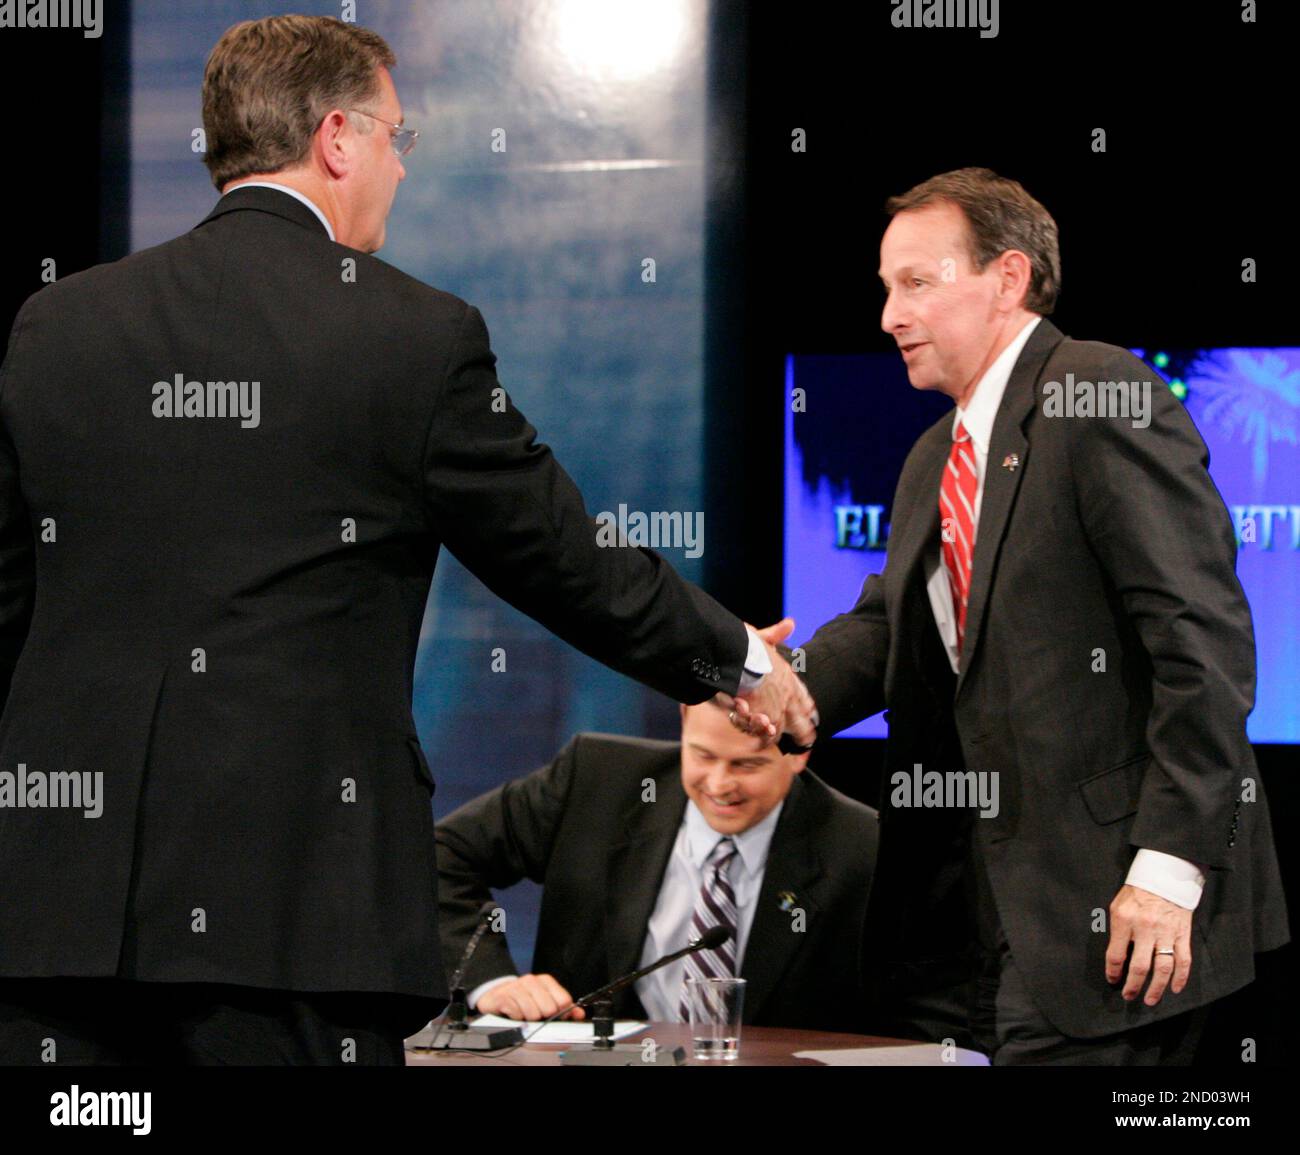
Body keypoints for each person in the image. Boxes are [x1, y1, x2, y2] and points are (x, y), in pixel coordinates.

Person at [0, 15, 814, 1066]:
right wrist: (740, 661)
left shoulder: (58, 325)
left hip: (58, 921)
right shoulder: (410, 336)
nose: (398, 166)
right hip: (282, 924)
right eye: (395, 137)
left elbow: (12, 603)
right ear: (336, 138)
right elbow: (565, 560)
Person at [780, 167, 1289, 1064]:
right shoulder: (935, 453)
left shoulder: (1098, 393)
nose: (890, 316)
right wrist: (763, 681)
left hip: (1118, 915)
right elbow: (892, 632)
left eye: (917, 283)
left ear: (1008, 279)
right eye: (886, 288)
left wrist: (1169, 871)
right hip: (971, 927)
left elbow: (1203, 648)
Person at [435, 697, 878, 1032]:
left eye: (747, 764)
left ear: (799, 751)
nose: (720, 785)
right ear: (685, 720)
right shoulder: (595, 780)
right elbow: (442, 854)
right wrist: (492, 984)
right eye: (703, 756)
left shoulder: (861, 847)